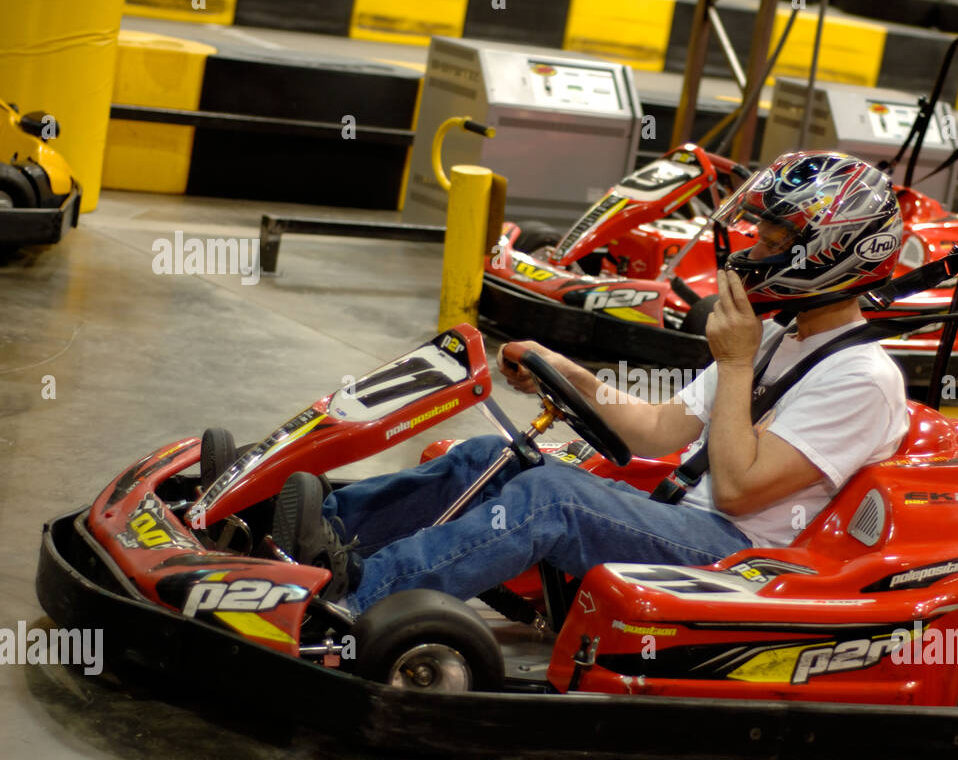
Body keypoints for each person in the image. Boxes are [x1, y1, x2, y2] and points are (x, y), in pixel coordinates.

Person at [271, 151, 912, 616]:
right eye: (762, 231)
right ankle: (315, 536)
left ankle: (355, 601)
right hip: (680, 515)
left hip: (741, 553)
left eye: (777, 237)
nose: (755, 249)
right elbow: (660, 428)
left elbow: (742, 492)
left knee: (551, 498)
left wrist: (738, 363)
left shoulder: (863, 378)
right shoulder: (780, 337)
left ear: (833, 252)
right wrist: (563, 372)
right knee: (491, 457)